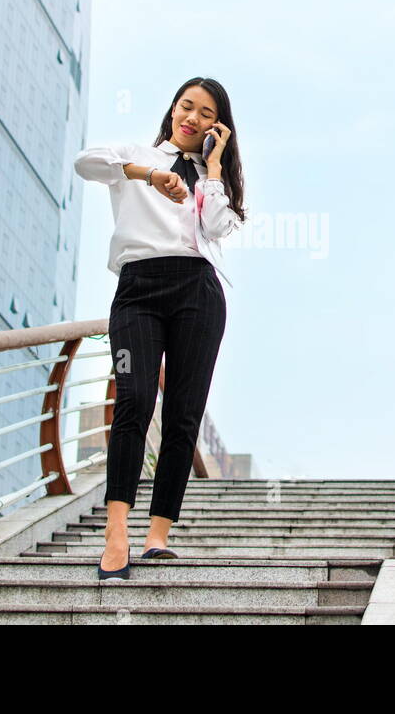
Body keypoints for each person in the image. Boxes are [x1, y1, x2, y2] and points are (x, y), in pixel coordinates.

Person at [72, 77, 247, 580]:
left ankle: (157, 536)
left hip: (198, 293)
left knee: (183, 415)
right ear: (172, 109)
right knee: (134, 400)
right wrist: (147, 176)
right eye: (186, 107)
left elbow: (216, 227)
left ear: (219, 127)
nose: (191, 118)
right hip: (139, 289)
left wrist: (212, 168)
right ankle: (116, 532)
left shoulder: (215, 180)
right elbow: (86, 163)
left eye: (206, 114)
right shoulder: (134, 154)